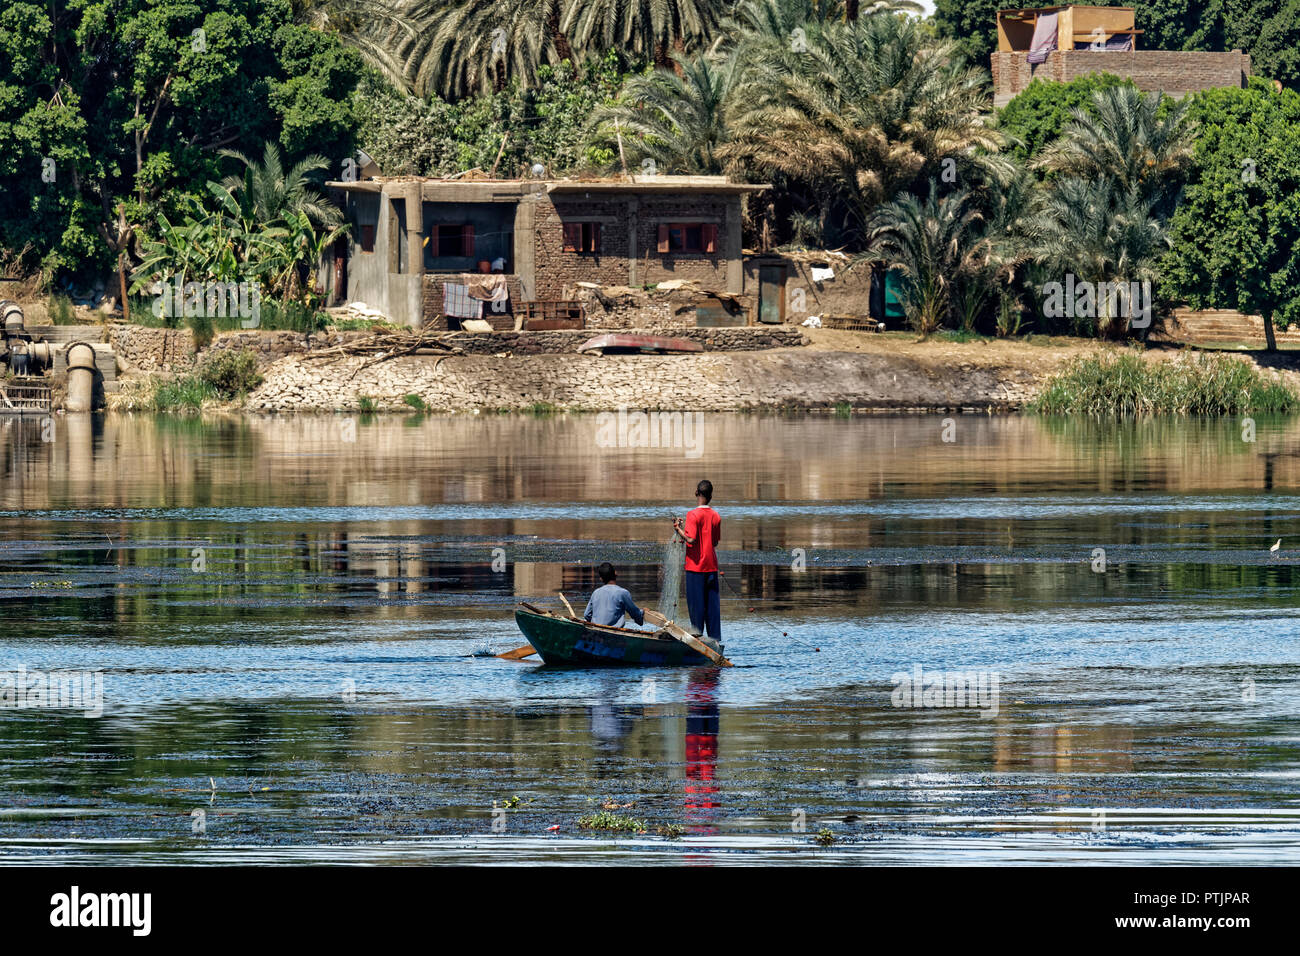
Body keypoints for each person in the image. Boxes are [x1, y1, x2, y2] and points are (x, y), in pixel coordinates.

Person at [672, 479, 721, 643]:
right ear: (711, 496)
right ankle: (715, 643)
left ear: (696, 493)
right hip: (712, 567)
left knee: (696, 609)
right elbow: (714, 542)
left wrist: (678, 529)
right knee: (713, 610)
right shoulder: (716, 516)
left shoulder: (692, 514)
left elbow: (691, 539)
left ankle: (698, 643)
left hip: (695, 569)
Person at [584, 562, 645, 628]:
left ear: (601, 579)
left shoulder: (595, 593)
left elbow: (587, 615)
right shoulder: (623, 593)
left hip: (596, 630)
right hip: (614, 632)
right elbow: (636, 614)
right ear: (615, 573)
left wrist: (596, 622)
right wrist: (643, 612)